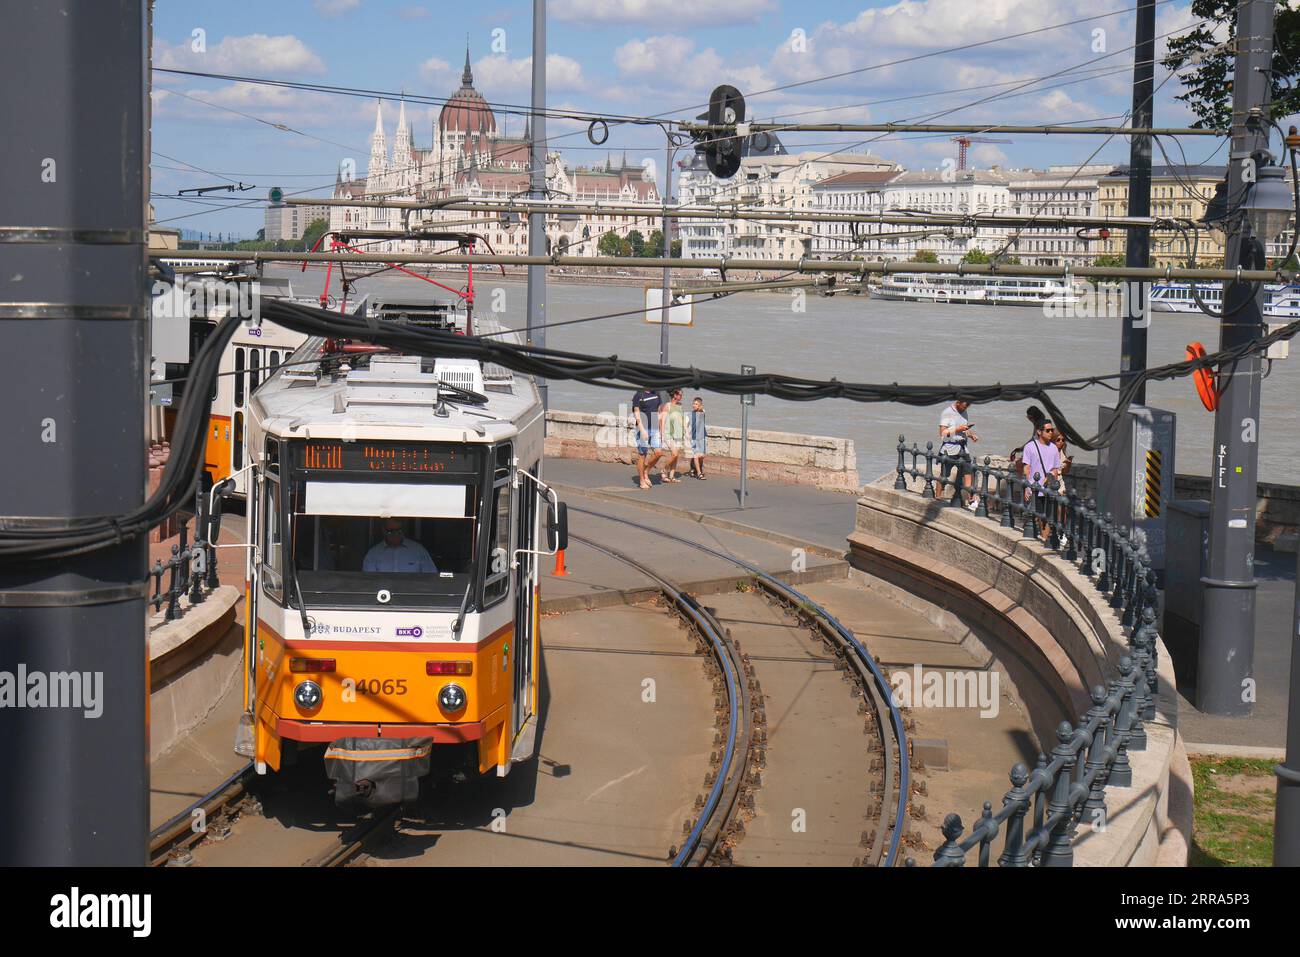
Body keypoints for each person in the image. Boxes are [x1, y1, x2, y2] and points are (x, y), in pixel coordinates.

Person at [1021, 417, 1063, 543]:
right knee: (1036, 517)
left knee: (1047, 519)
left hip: (1048, 490)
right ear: (1039, 432)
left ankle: (1045, 541)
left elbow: (1056, 469)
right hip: (1034, 490)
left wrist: (1050, 474)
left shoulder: (1054, 448)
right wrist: (1027, 487)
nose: (1051, 433)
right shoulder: (1029, 447)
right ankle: (1033, 538)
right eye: (1048, 430)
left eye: (1052, 430)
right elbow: (1026, 468)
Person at [938, 399, 979, 510]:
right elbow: (942, 434)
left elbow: (964, 430)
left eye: (967, 407)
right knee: (944, 475)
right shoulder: (947, 413)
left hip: (963, 448)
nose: (965, 409)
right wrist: (957, 429)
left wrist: (971, 434)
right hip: (949, 448)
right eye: (964, 406)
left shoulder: (964, 412)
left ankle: (971, 501)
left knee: (968, 473)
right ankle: (937, 497)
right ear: (958, 402)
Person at [362, 519, 437, 573]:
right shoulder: (373, 554)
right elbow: (369, 582)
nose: (395, 534)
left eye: (399, 530)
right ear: (383, 530)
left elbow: (431, 577)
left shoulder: (418, 550)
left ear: (404, 529)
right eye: (391, 531)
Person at [631, 388, 664, 490]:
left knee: (658, 453)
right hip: (643, 428)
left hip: (655, 428)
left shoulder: (656, 393)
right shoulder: (639, 394)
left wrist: (661, 430)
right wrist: (642, 429)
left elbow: (658, 411)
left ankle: (646, 471)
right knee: (642, 455)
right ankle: (641, 480)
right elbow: (636, 412)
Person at [661, 390, 686, 483]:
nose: (681, 396)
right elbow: (663, 420)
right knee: (674, 453)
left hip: (679, 433)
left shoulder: (680, 406)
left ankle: (671, 476)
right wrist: (662, 434)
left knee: (676, 456)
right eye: (680, 394)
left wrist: (686, 430)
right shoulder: (667, 405)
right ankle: (663, 470)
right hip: (669, 434)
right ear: (675, 395)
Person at [688, 395, 707, 479]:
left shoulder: (702, 412)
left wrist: (700, 408)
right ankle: (699, 473)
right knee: (696, 455)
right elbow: (687, 425)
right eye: (693, 404)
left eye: (696, 404)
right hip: (694, 437)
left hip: (702, 436)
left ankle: (694, 469)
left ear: (700, 405)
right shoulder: (690, 414)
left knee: (702, 456)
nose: (694, 405)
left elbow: (702, 412)